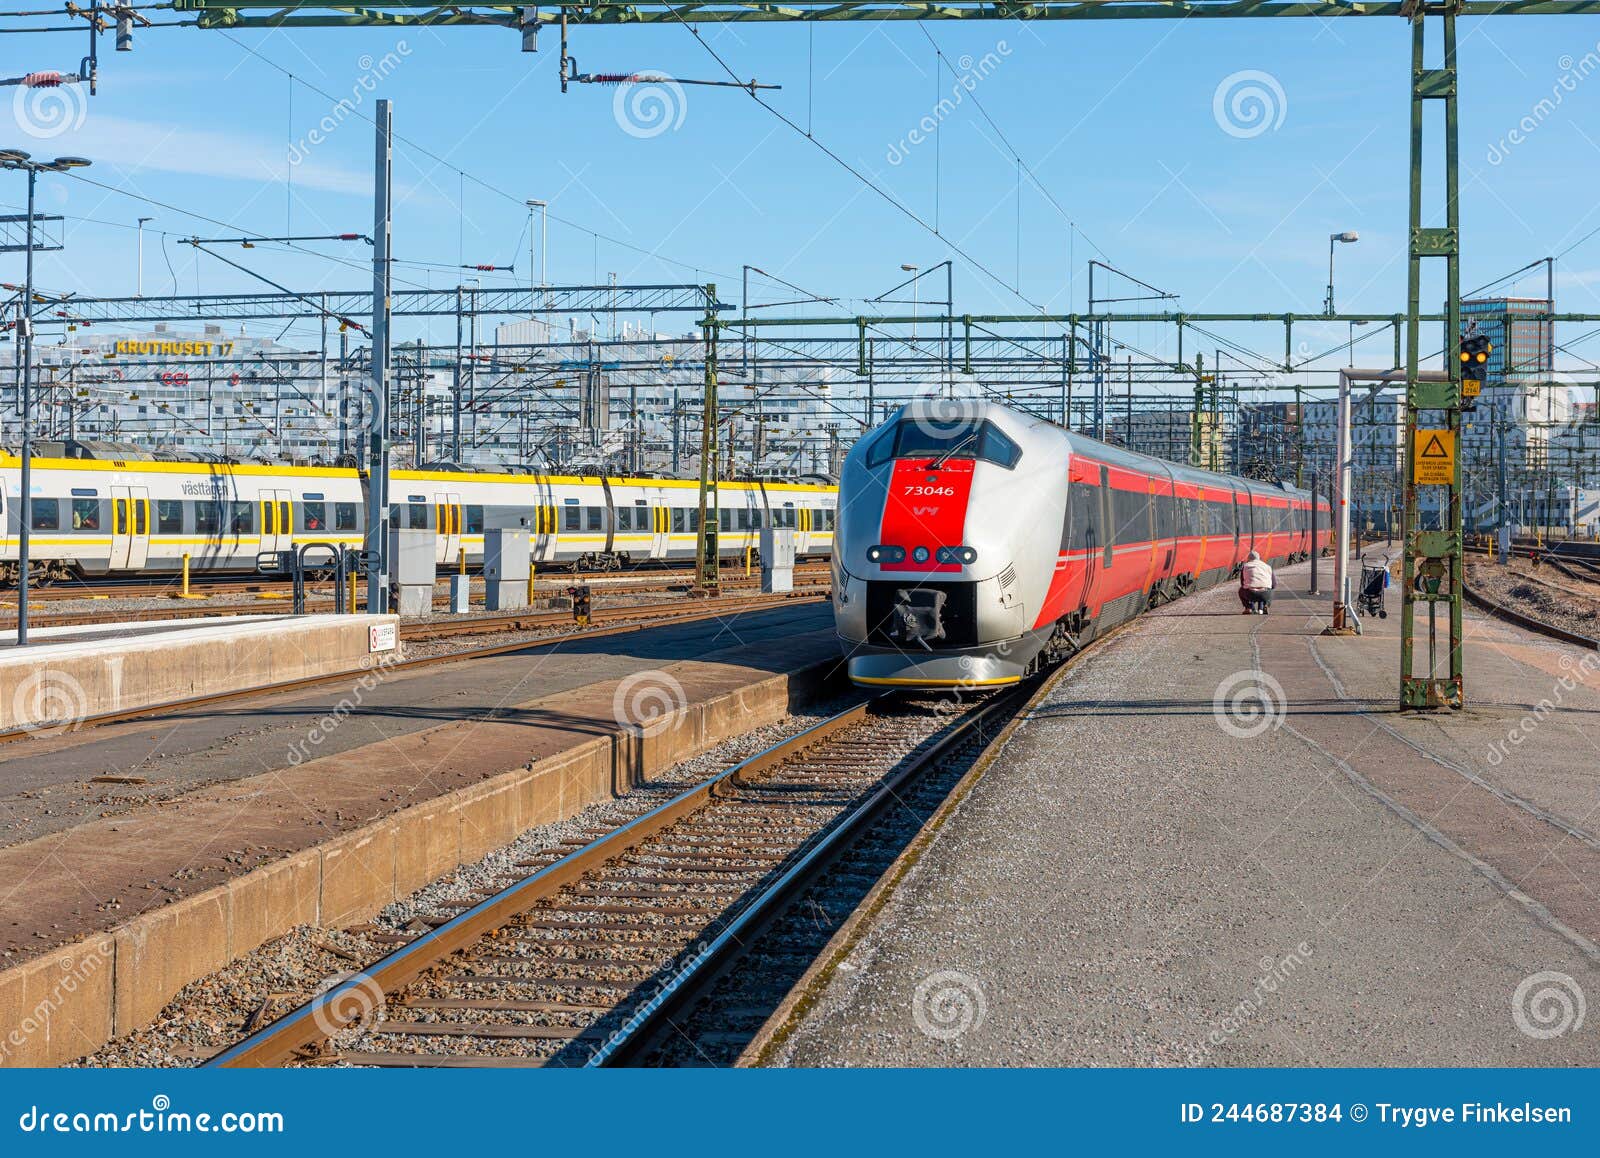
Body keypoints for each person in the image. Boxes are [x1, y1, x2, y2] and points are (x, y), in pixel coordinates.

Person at [1239, 549, 1275, 614]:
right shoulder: (1267, 566)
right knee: (1269, 589)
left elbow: (1242, 583)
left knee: (1241, 590)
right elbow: (1274, 584)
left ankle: (1249, 608)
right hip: (1266, 594)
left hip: (1250, 594)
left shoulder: (1245, 566)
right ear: (1259, 558)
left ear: (1249, 559)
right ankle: (1265, 605)